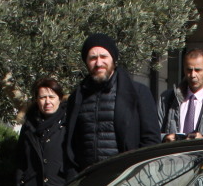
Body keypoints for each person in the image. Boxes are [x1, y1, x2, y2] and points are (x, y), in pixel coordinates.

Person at [64, 33, 160, 173]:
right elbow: (71, 143)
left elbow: (151, 140)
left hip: (126, 180)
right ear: (86, 62)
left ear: (113, 59)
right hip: (89, 181)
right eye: (93, 58)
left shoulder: (138, 93)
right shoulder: (77, 98)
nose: (98, 63)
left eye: (103, 57)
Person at [17, 76, 67, 186]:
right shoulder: (29, 126)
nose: (47, 102)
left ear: (59, 98)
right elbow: (21, 156)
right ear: (37, 100)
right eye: (43, 97)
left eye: (52, 97)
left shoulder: (68, 123)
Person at [159, 49, 203, 141]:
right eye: (189, 70)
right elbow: (153, 134)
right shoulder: (168, 98)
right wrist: (165, 138)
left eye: (198, 70)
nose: (193, 75)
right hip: (174, 154)